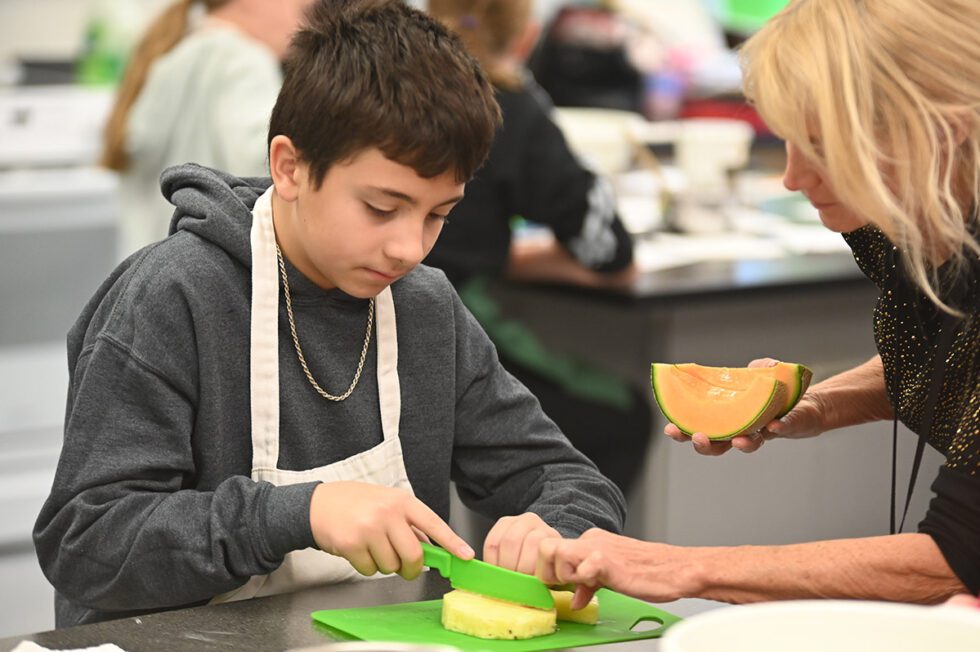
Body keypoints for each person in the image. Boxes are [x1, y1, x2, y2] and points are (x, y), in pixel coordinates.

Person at [34, 0, 626, 627]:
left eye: (437, 215)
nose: (409, 248)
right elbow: (86, 544)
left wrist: (555, 530)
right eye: (380, 207)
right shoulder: (175, 298)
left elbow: (568, 479)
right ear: (289, 167)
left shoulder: (425, 310)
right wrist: (301, 513)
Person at [535, 0, 979, 607]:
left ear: (940, 130)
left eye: (822, 146)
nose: (793, 177)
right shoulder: (918, 221)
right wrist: (816, 406)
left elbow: (954, 560)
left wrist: (677, 568)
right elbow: (956, 359)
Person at [424, 0, 651, 497]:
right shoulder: (506, 104)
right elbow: (611, 252)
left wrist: (494, 255)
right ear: (526, 36)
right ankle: (560, 562)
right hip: (444, 330)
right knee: (619, 416)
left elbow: (449, 244)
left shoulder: (386, 80)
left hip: (352, 331)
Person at [101, 0, 313, 258]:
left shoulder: (175, 52)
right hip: (201, 277)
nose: (307, 21)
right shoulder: (244, 62)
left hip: (148, 274)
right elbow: (270, 175)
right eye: (301, 9)